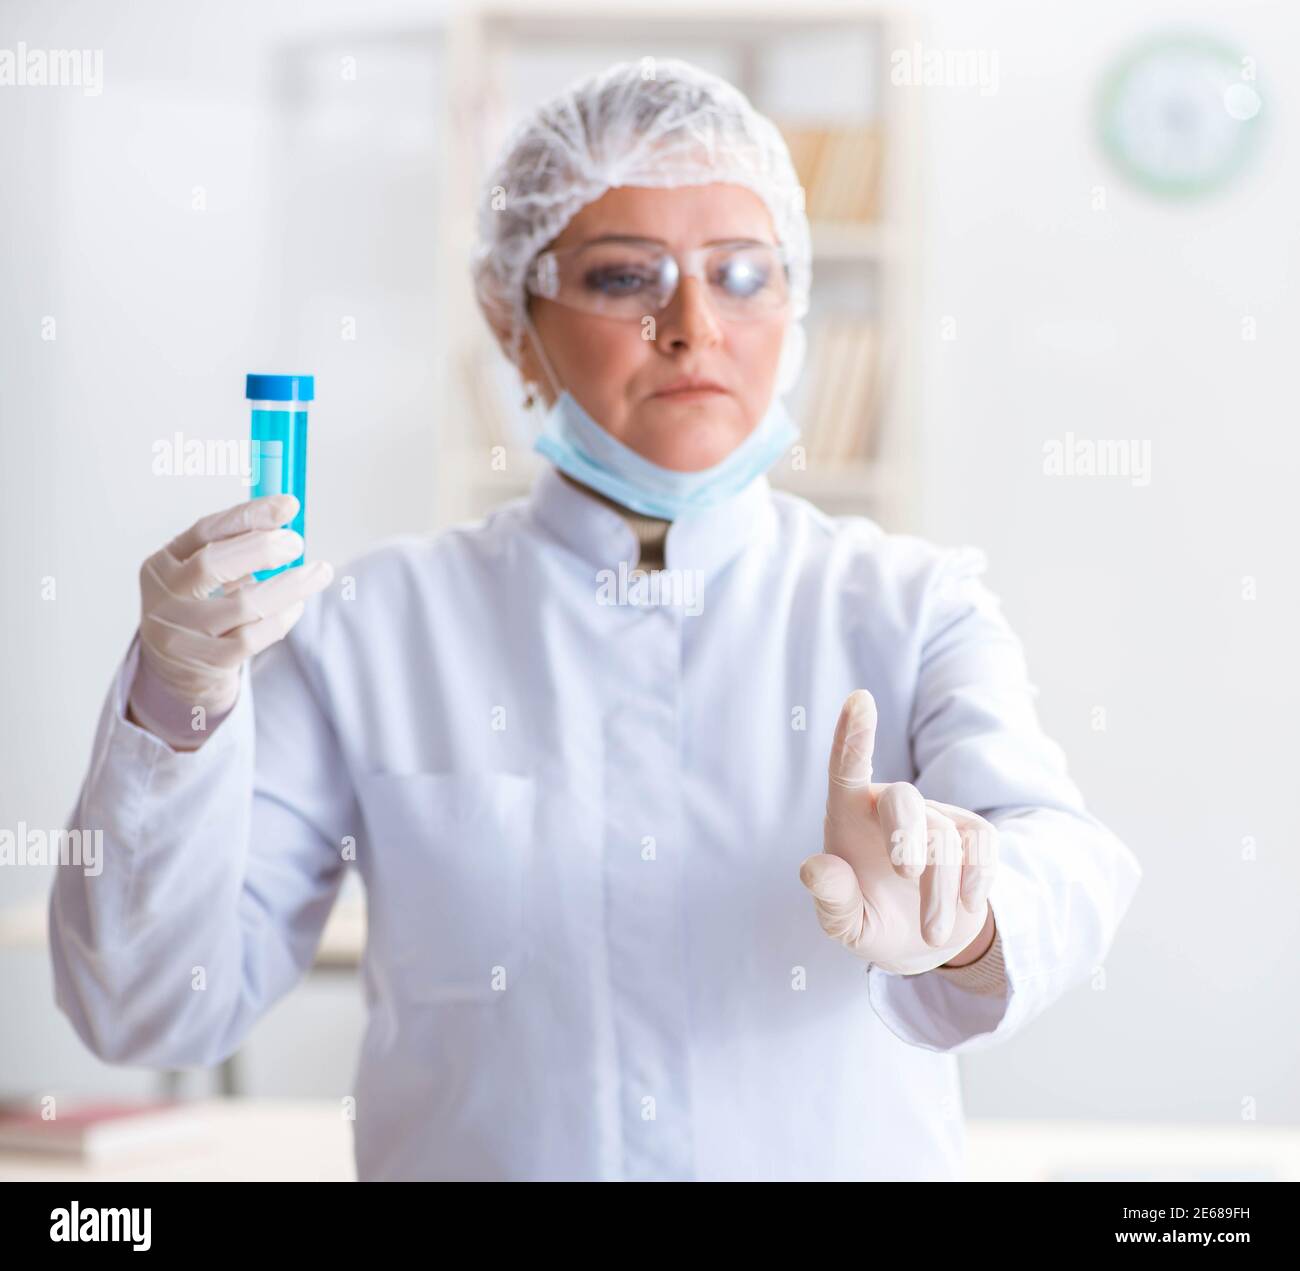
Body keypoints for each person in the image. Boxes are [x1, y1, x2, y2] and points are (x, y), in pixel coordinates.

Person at [50, 59, 1141, 1182]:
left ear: (794, 306)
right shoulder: (373, 628)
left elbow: (1068, 860)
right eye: (626, 277)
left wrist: (960, 919)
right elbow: (150, 1012)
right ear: (513, 322)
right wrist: (175, 709)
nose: (692, 325)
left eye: (742, 273)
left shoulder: (911, 606)